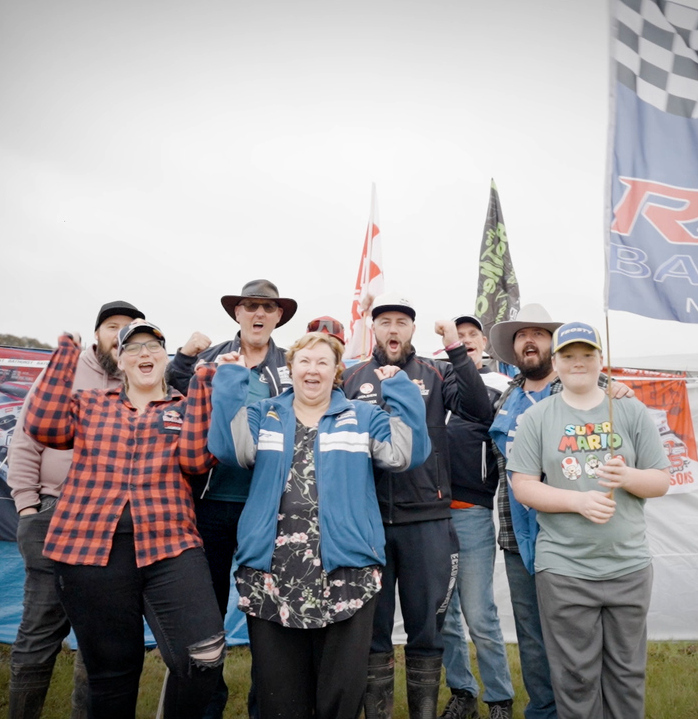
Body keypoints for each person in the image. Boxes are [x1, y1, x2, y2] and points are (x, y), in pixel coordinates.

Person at [207, 331, 430, 719]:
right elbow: (229, 449)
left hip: (347, 572)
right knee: (279, 698)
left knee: (340, 696)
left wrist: (400, 390)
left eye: (323, 362)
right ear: (291, 368)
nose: (313, 369)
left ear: (336, 371)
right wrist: (229, 380)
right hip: (271, 572)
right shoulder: (265, 414)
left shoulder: (363, 417)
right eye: (305, 361)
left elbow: (406, 454)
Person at [27, 321, 225, 719]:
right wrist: (65, 353)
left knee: (204, 657)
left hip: (170, 547)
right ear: (119, 361)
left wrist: (203, 384)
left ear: (166, 357)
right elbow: (44, 427)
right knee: (112, 677)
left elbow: (195, 460)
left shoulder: (184, 407)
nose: (144, 353)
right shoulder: (90, 403)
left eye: (153, 346)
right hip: (88, 550)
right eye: (132, 348)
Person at [340, 293, 492, 719]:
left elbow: (479, 409)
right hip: (368, 523)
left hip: (427, 521)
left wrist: (455, 348)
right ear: (374, 328)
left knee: (427, 632)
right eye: (385, 321)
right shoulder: (351, 378)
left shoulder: (436, 372)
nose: (393, 329)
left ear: (412, 328)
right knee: (373, 632)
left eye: (401, 322)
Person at [507, 322, 670, 719]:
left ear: (601, 360)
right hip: (564, 569)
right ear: (555, 362)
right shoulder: (537, 417)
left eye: (586, 355)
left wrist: (628, 477)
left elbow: (661, 480)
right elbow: (523, 486)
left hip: (628, 565)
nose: (577, 363)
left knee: (626, 674)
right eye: (568, 355)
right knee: (575, 677)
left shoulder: (629, 410)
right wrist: (576, 501)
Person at [487, 304, 632, 719]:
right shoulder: (507, 398)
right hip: (517, 534)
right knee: (532, 636)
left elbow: (611, 399)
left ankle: (591, 709)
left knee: (579, 636)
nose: (529, 340)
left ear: (554, 345)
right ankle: (544, 711)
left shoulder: (588, 387)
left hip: (571, 532)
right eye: (521, 335)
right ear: (514, 348)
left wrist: (617, 387)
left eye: (538, 333)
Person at [167, 278, 296, 718]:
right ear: (237, 313)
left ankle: (266, 708)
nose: (258, 314)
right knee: (206, 614)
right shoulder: (210, 358)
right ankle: (208, 708)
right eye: (250, 306)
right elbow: (173, 390)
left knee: (267, 614)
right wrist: (183, 356)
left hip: (268, 508)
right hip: (208, 506)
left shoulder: (290, 365)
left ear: (278, 316)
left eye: (267, 307)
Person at [8, 300, 143, 719]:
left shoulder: (140, 381)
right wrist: (28, 507)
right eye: (112, 326)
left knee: (98, 643)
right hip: (53, 510)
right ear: (97, 333)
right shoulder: (64, 371)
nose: (119, 335)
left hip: (110, 520)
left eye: (129, 329)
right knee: (39, 633)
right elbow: (26, 438)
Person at [438, 315, 516, 719]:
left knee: (479, 612)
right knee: (444, 615)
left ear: (484, 343)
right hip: (431, 516)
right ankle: (462, 693)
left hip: (471, 513)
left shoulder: (501, 384)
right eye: (459, 335)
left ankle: (499, 698)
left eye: (472, 334)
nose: (466, 339)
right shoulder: (436, 379)